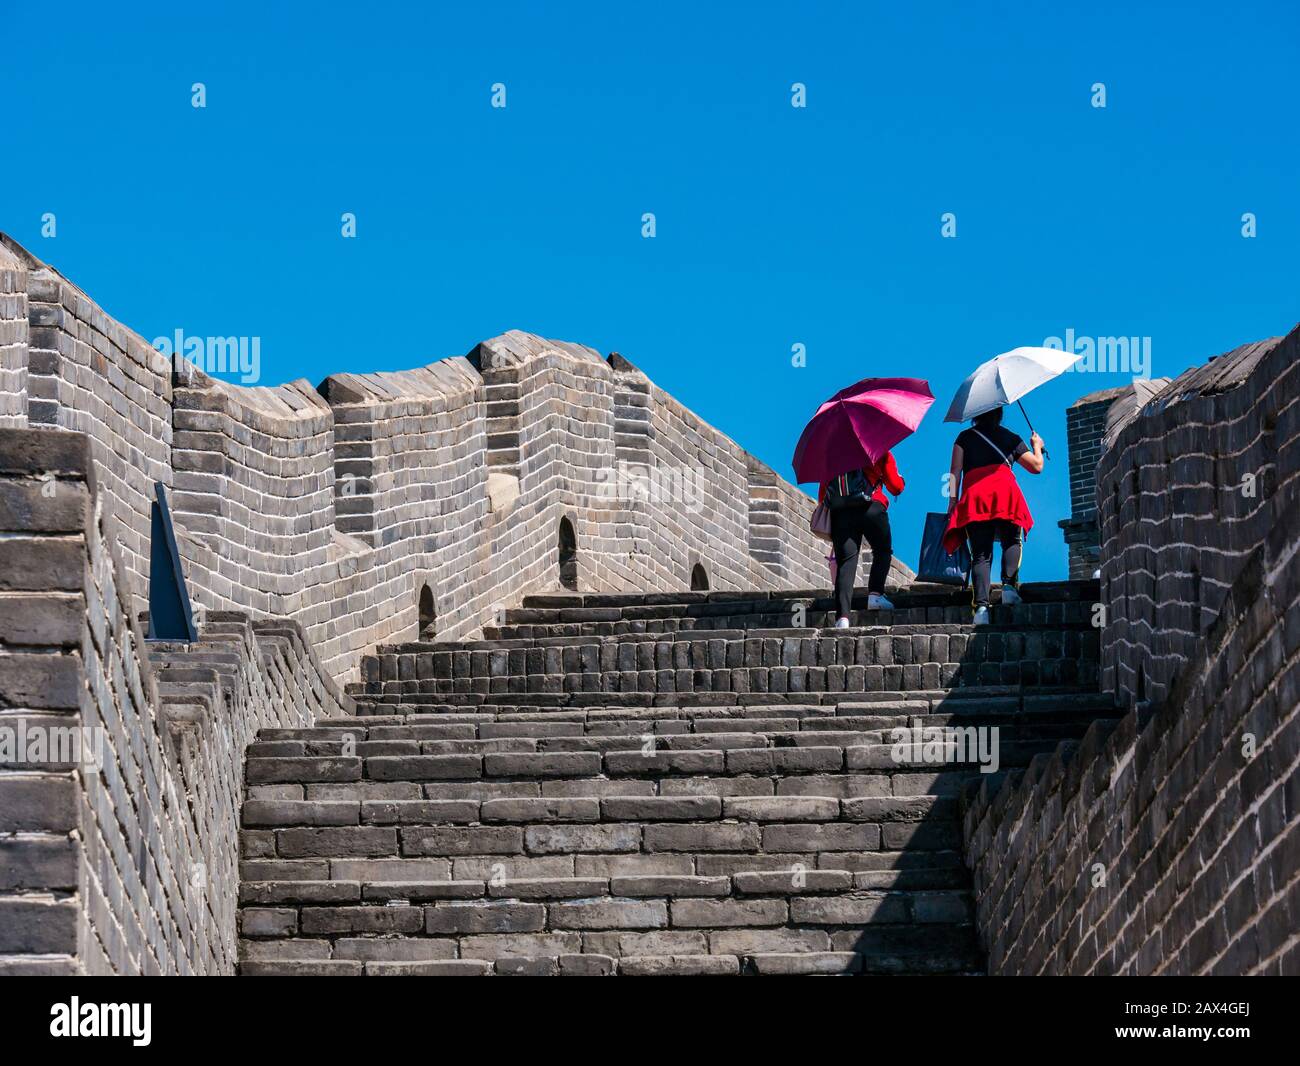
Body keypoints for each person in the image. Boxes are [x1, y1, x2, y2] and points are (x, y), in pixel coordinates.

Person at [943, 407, 1043, 625]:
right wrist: (1037, 446)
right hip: (1005, 494)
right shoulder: (1011, 437)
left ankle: (981, 608)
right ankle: (1008, 588)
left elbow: (954, 471)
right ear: (999, 413)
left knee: (980, 553)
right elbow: (1037, 467)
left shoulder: (964, 438)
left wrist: (952, 500)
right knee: (1011, 541)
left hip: (975, 496)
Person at [820, 451, 905, 627]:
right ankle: (875, 595)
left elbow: (824, 493)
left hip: (842, 513)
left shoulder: (833, 454)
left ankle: (842, 617)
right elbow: (895, 487)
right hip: (871, 507)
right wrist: (900, 479)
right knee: (882, 550)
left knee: (846, 562)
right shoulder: (879, 449)